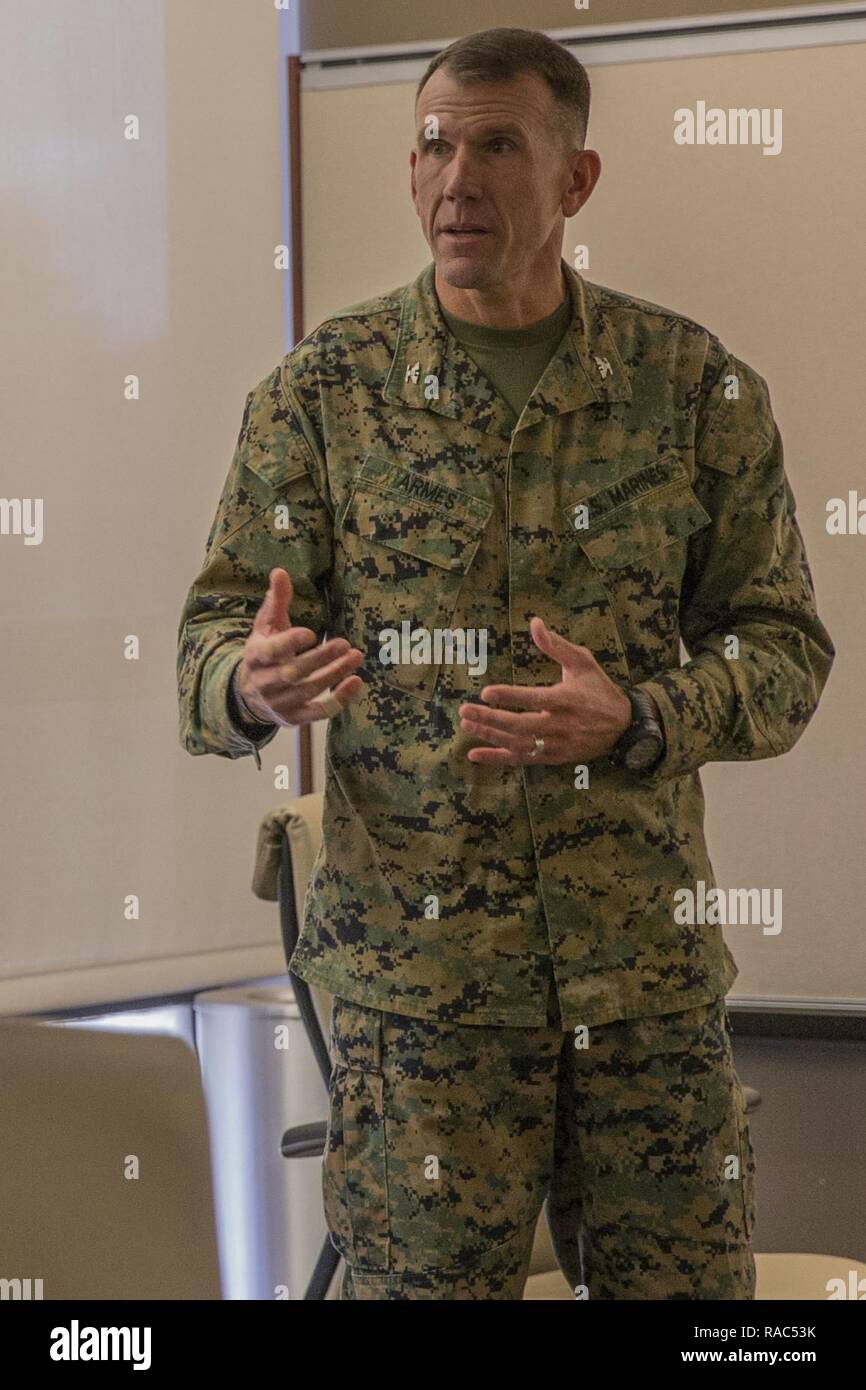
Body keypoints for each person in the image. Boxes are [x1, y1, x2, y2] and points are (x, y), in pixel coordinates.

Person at [177, 27, 835, 1299]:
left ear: (573, 181)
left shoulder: (693, 389)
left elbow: (783, 650)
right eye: (432, 145)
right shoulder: (321, 393)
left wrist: (641, 712)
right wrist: (246, 686)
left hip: (640, 980)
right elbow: (209, 643)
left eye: (495, 146)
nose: (455, 178)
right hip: (420, 1007)